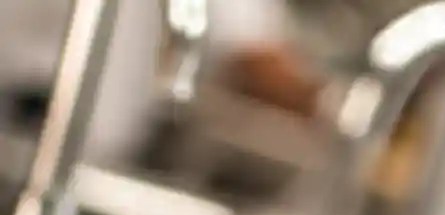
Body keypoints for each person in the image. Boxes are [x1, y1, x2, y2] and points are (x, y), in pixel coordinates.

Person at [0, 0, 318, 168]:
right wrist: (328, 106)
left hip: (81, 151)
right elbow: (262, 66)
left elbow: (257, 56)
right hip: (31, 136)